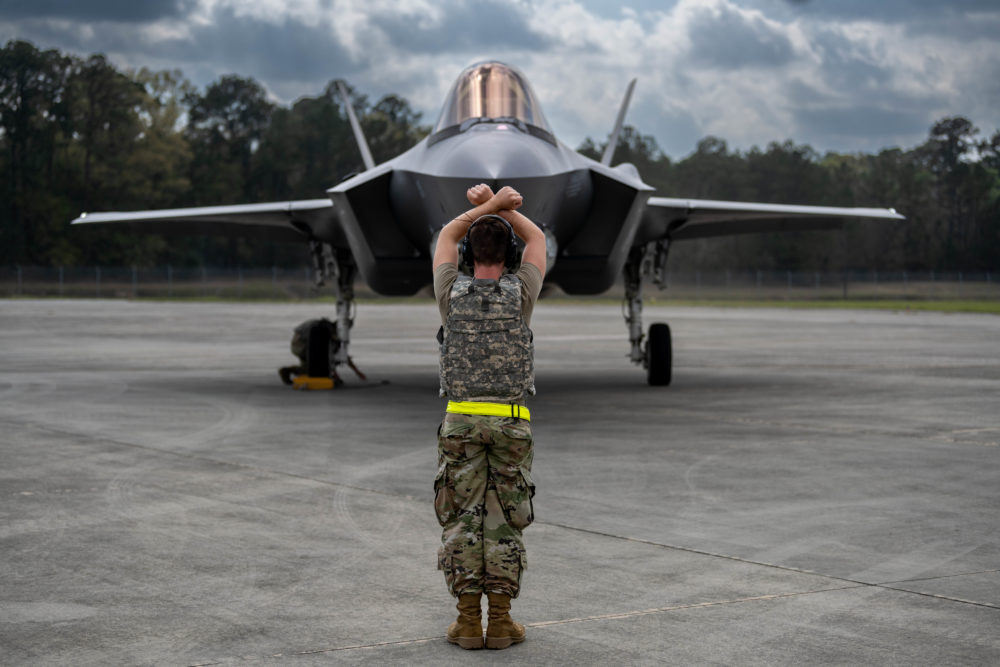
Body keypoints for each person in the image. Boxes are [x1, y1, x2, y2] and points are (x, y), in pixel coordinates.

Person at [432, 183, 546, 650]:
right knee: (503, 523)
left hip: (460, 424)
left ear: (466, 255)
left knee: (461, 520)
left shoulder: (450, 293)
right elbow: (538, 238)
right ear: (512, 255)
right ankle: (500, 623)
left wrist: (486, 208)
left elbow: (445, 234)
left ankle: (465, 623)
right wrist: (507, 206)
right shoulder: (521, 294)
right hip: (509, 424)